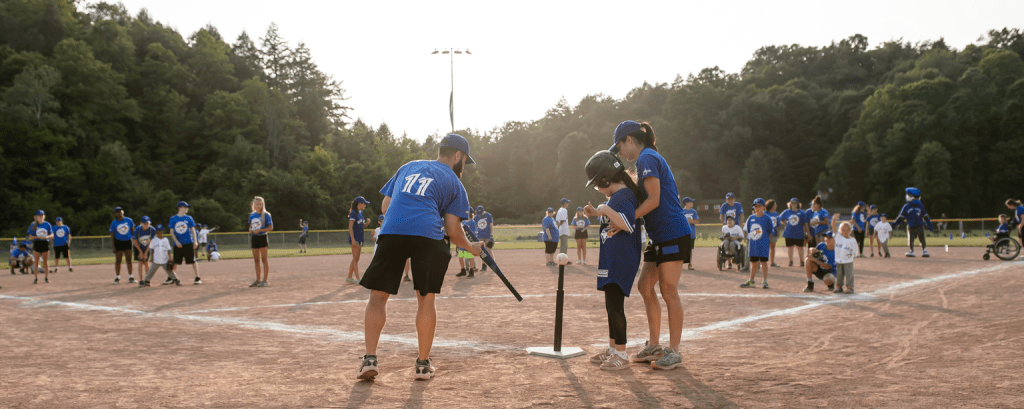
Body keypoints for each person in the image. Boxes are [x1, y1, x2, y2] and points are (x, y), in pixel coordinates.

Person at [357, 133, 482, 381]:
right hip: (427, 235)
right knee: (425, 299)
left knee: (378, 296)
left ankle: (369, 359)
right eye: (464, 162)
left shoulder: (408, 167)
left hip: (392, 230)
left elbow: (385, 207)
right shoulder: (455, 183)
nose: (463, 168)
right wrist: (472, 248)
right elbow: (453, 230)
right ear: (458, 156)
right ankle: (423, 365)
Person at [609, 120, 692, 371]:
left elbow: (654, 200)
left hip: (673, 232)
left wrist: (627, 218)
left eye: (620, 146)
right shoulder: (643, 161)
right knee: (645, 286)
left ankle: (674, 351)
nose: (621, 152)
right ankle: (654, 345)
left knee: (668, 290)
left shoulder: (647, 158)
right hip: (659, 236)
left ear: (630, 140)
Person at [582, 150, 644, 371]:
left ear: (605, 179)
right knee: (610, 306)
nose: (597, 188)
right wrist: (599, 213)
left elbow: (628, 224)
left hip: (621, 260)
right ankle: (612, 349)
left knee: (616, 307)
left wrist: (605, 209)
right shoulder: (616, 198)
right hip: (611, 259)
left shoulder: (624, 196)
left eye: (596, 184)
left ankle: (621, 354)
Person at [890, 187, 933, 257]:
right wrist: (929, 224)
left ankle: (912, 251)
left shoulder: (906, 206)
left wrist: (894, 224)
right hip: (919, 225)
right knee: (921, 238)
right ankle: (924, 250)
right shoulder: (920, 206)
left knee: (911, 239)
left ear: (910, 196)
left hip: (911, 226)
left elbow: (900, 217)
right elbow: (925, 216)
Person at [740, 199, 772, 289]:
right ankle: (751, 281)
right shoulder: (751, 218)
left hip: (763, 244)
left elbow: (770, 232)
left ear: (764, 207)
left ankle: (765, 281)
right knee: (753, 263)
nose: (757, 208)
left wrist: (766, 241)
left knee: (763, 263)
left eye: (759, 206)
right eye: (755, 206)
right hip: (753, 245)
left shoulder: (767, 218)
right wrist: (746, 238)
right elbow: (747, 229)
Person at [169, 201, 202, 284]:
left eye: (187, 207)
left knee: (193, 260)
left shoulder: (189, 218)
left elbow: (193, 230)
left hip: (188, 242)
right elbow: (171, 232)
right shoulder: (173, 218)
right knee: (176, 261)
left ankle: (197, 278)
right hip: (178, 244)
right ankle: (172, 278)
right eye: (185, 207)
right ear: (180, 208)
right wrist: (176, 241)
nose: (187, 208)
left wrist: (195, 241)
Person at [373, 215, 411, 282]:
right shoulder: (378, 230)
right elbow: (375, 239)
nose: (384, 221)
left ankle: (405, 275)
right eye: (382, 220)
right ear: (379, 222)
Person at [249, 196, 273, 287]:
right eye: (256, 204)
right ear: (253, 205)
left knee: (264, 259)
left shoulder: (266, 215)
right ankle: (258, 280)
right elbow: (250, 227)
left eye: (260, 204)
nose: (258, 206)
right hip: (254, 238)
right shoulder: (252, 215)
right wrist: (251, 230)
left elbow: (270, 227)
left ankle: (265, 280)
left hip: (262, 237)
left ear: (262, 205)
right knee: (256, 260)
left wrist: (260, 230)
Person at [109, 207, 136, 284]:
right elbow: (112, 235)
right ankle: (117, 277)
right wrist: (113, 246)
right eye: (117, 212)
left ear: (123, 212)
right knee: (118, 260)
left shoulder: (129, 220)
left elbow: (132, 231)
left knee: (129, 259)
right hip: (118, 242)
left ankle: (131, 276)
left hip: (128, 241)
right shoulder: (114, 223)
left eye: (120, 211)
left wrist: (134, 241)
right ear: (115, 214)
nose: (119, 212)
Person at [832, 216, 858, 294]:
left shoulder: (852, 240)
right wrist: (833, 220)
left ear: (850, 231)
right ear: (840, 231)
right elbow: (833, 228)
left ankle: (850, 287)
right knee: (839, 275)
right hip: (839, 260)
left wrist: (853, 255)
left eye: (847, 230)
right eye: (843, 230)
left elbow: (855, 250)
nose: (845, 232)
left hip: (848, 260)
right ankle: (839, 287)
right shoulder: (838, 237)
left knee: (849, 274)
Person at [780, 198, 808, 267]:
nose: (793, 204)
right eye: (792, 203)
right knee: (790, 247)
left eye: (795, 203)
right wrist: (785, 223)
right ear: (790, 204)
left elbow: (805, 223)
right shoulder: (787, 211)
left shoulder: (801, 213)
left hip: (799, 233)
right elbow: (780, 219)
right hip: (789, 233)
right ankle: (790, 261)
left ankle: (801, 261)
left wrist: (805, 233)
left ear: (798, 204)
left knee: (800, 247)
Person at [27, 210, 54, 284]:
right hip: (37, 244)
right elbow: (30, 236)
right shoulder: (34, 225)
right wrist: (38, 237)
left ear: (44, 216)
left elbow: (52, 235)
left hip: (45, 243)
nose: (41, 217)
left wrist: (46, 237)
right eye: (39, 215)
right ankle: (36, 278)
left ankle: (46, 277)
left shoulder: (47, 224)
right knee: (37, 261)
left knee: (45, 262)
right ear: (36, 217)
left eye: (42, 215)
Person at [347, 196, 369, 284]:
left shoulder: (361, 213)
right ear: (359, 204)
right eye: (364, 203)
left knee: (356, 259)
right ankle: (358, 278)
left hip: (360, 238)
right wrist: (353, 240)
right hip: (355, 239)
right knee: (355, 259)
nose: (365, 205)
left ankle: (349, 277)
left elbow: (361, 225)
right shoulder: (353, 213)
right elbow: (350, 227)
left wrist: (367, 224)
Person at [132, 216, 156, 285]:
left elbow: (151, 241)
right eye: (145, 223)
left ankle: (147, 280)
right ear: (141, 223)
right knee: (140, 262)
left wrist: (145, 253)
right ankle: (141, 280)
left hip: (147, 247)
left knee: (146, 262)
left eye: (148, 223)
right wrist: (140, 252)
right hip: (138, 247)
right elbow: (135, 241)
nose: (146, 225)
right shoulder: (137, 229)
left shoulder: (152, 229)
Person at [456, 209, 478, 278]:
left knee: (469, 256)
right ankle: (463, 270)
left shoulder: (472, 222)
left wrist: (471, 243)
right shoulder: (463, 221)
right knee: (460, 257)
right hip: (462, 241)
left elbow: (473, 233)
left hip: (468, 242)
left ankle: (471, 271)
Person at [681, 197, 699, 270]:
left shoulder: (694, 211)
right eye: (691, 202)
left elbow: (697, 221)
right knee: (682, 249)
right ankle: (679, 264)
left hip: (691, 234)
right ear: (687, 203)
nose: (692, 203)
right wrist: (687, 221)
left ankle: (689, 264)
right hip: (682, 233)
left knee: (690, 250)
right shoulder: (681, 211)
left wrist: (689, 221)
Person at [474, 205, 493, 271]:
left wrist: (491, 235)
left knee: (489, 250)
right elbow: (475, 227)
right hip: (480, 236)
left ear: (483, 211)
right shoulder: (476, 217)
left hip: (487, 236)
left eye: (480, 213)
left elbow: (491, 226)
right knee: (482, 251)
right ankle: (483, 265)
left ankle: (493, 264)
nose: (479, 214)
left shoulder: (488, 215)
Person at [765, 199, 781, 268]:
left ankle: (772, 262)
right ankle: (763, 262)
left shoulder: (776, 214)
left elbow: (778, 224)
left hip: (774, 232)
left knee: (773, 246)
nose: (776, 206)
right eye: (775, 205)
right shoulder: (765, 213)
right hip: (766, 233)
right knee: (765, 247)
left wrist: (778, 231)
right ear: (771, 206)